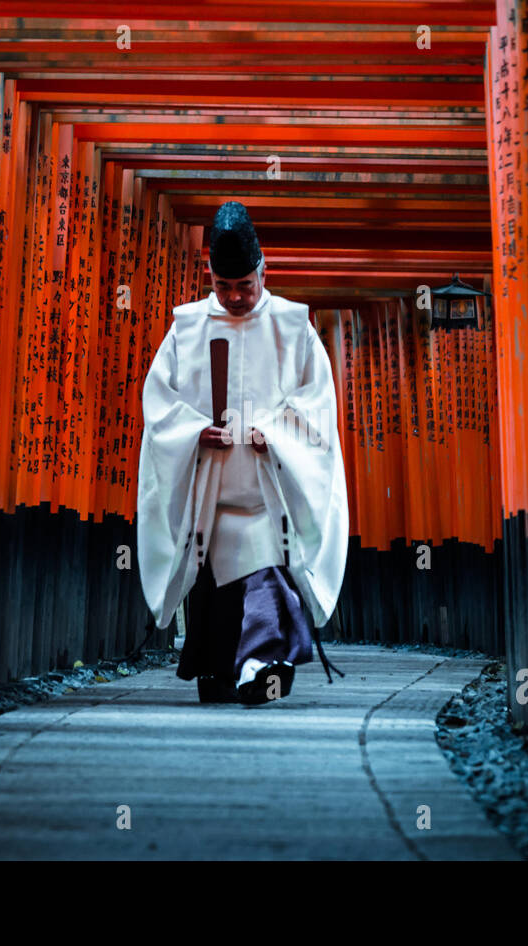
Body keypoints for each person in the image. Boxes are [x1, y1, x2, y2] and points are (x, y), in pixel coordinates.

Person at [136, 201, 348, 705]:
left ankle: (262, 670)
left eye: (244, 286)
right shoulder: (186, 328)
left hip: (264, 496)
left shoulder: (294, 327)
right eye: (223, 286)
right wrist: (193, 432)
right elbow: (160, 405)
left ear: (263, 271)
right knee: (212, 593)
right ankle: (221, 673)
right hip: (209, 497)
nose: (233, 297)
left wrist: (273, 433)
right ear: (209, 274)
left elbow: (317, 408)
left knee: (264, 585)